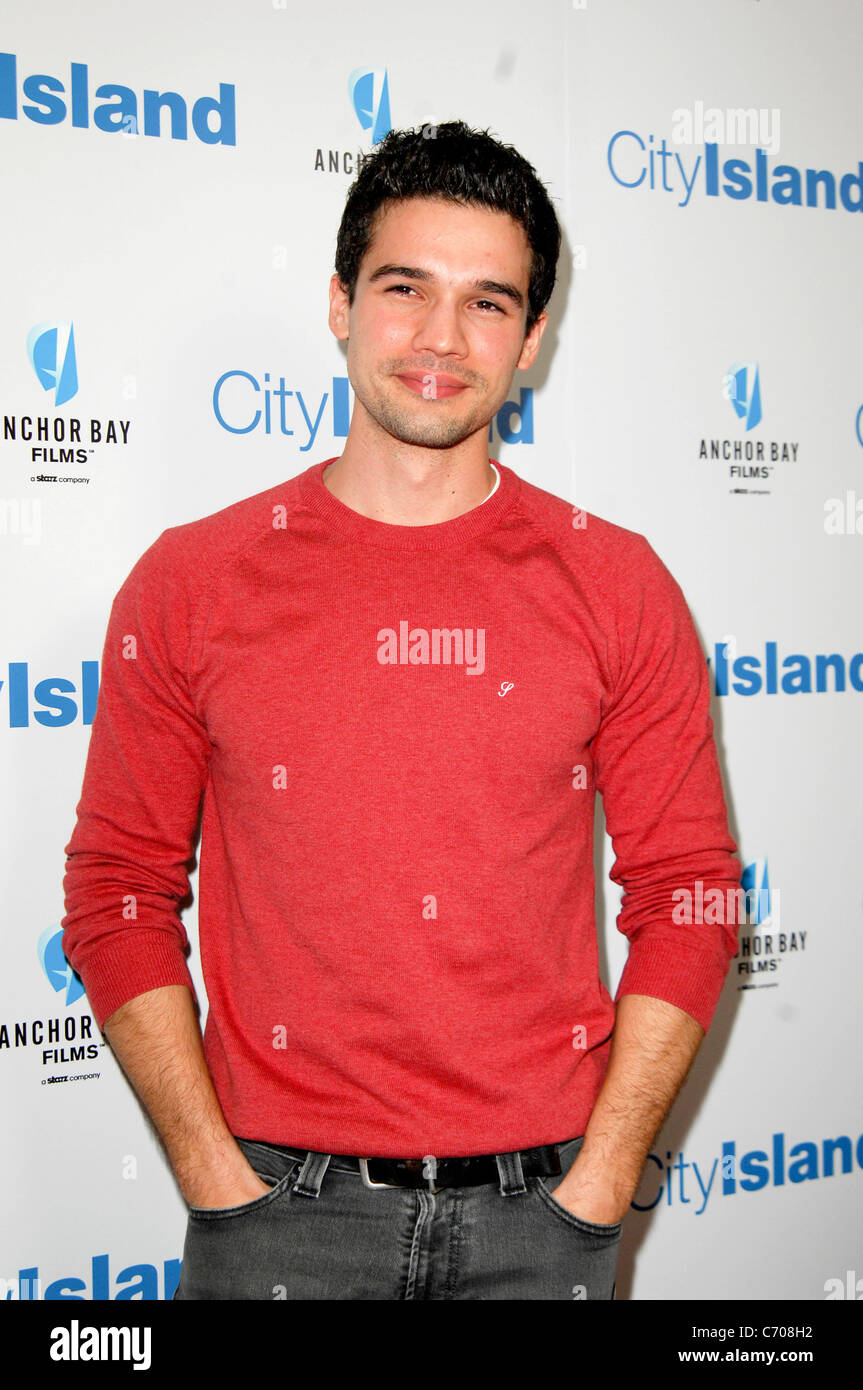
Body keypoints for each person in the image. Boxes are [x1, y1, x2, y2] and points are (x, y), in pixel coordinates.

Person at [62, 120, 741, 1301]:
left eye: (487, 303)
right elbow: (117, 887)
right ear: (337, 302)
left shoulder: (616, 584)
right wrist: (211, 1171)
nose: (439, 338)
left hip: (544, 1218)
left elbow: (689, 891)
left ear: (531, 340)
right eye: (402, 288)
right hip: (277, 1218)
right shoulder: (192, 580)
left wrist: (600, 1181)